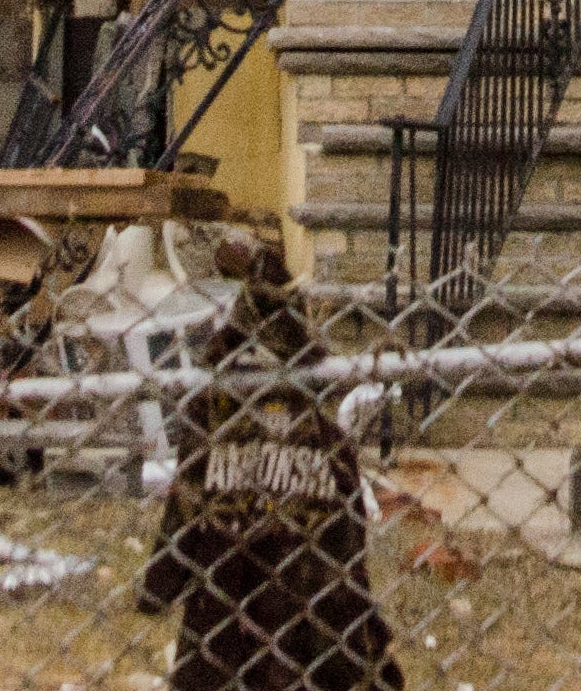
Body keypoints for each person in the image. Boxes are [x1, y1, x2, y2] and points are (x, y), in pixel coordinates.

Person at [135, 276, 404, 691]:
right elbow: (349, 540)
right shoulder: (323, 435)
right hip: (294, 606)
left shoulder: (211, 421)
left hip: (232, 601)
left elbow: (183, 513)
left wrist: (158, 589)